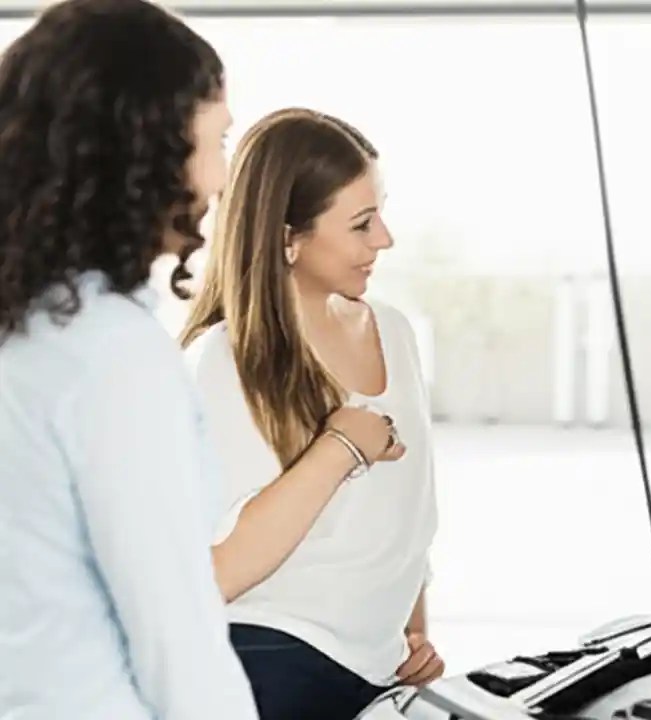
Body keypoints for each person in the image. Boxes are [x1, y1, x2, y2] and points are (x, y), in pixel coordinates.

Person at [0, 0, 258, 717]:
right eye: (217, 142)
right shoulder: (112, 355)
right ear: (147, 153)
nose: (221, 177)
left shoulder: (28, 333)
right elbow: (178, 640)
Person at [178, 108, 442, 720]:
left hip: (376, 674)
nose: (385, 239)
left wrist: (410, 633)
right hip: (268, 660)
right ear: (287, 238)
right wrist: (341, 447)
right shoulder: (224, 359)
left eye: (381, 212)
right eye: (361, 223)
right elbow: (215, 571)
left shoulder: (394, 332)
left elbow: (406, 514)